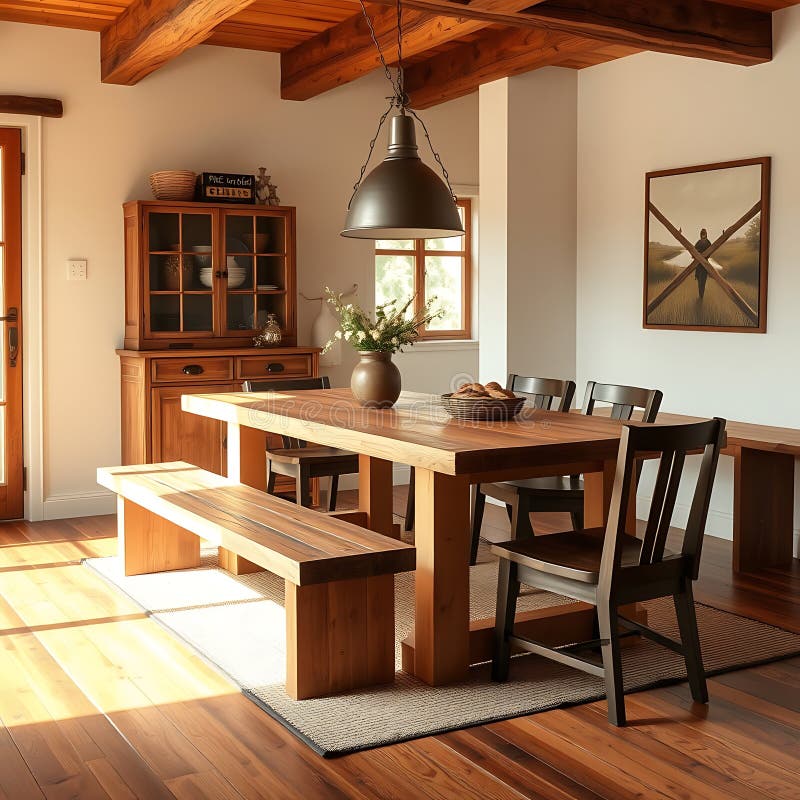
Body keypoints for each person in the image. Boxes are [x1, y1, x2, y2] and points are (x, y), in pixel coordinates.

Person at [694, 228, 712, 299]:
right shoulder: (698, 242)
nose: (703, 235)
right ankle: (700, 295)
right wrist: (697, 255)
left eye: (704, 233)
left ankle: (701, 296)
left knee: (703, 281)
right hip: (698, 265)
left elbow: (710, 251)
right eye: (702, 233)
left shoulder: (708, 242)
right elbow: (694, 251)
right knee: (699, 281)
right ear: (701, 234)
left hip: (705, 265)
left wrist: (705, 256)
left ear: (706, 234)